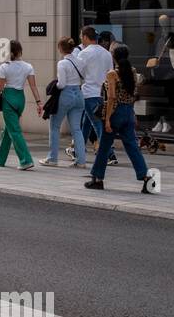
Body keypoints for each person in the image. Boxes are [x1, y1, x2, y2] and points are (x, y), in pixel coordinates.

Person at [85, 45, 153, 193]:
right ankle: (146, 177)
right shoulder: (133, 72)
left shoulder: (112, 74)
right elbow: (132, 94)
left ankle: (97, 179)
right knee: (132, 147)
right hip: (128, 111)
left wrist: (108, 119)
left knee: (104, 146)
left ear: (114, 57)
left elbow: (112, 98)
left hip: (115, 112)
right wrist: (133, 114)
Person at [0, 40, 41, 171]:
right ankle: (0, 158)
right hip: (20, 99)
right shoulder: (28, 66)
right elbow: (33, 87)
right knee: (8, 129)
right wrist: (39, 102)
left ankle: (26, 160)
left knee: (14, 131)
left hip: (8, 99)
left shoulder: (4, 67)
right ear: (20, 51)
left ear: (9, 52)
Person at [70, 26, 113, 165]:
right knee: (86, 123)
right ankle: (77, 151)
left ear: (85, 37)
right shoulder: (106, 53)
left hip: (89, 93)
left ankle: (110, 154)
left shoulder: (84, 53)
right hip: (103, 94)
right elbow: (110, 74)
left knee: (97, 125)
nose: (81, 39)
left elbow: (79, 74)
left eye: (81, 36)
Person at [41, 37, 86, 168]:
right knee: (76, 129)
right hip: (78, 94)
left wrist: (54, 85)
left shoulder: (62, 63)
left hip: (66, 95)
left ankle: (52, 158)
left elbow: (61, 84)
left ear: (60, 48)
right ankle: (81, 161)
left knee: (55, 126)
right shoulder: (80, 61)